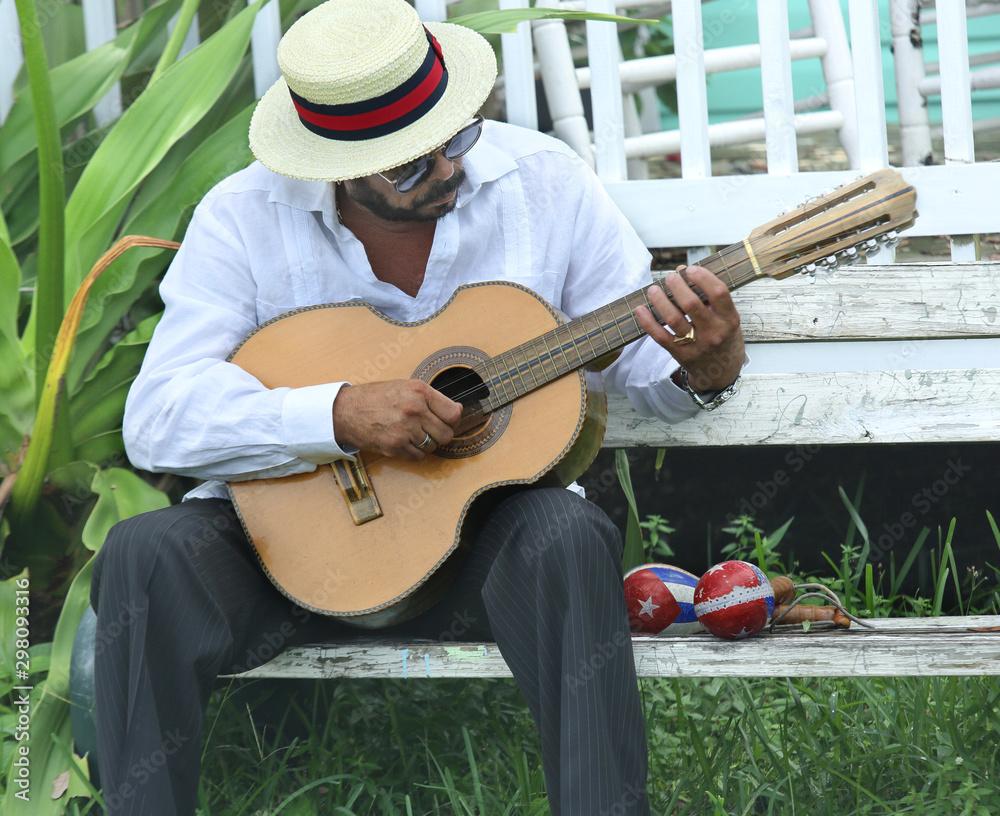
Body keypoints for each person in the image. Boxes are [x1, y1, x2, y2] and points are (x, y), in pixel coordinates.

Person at [89, 0, 747, 813]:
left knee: (569, 534)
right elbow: (157, 418)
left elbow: (641, 361)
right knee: (143, 553)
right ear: (332, 167)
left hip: (484, 558)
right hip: (286, 556)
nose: (444, 169)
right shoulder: (241, 216)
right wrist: (334, 416)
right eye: (407, 168)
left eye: (456, 137)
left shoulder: (545, 183)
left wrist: (706, 363)